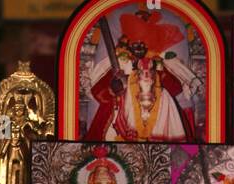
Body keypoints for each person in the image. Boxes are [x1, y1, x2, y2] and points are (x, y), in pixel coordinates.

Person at [86, 9, 200, 141]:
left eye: (142, 44)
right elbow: (98, 92)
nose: (139, 47)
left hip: (160, 116)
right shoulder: (121, 63)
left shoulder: (158, 63)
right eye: (135, 44)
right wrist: (113, 88)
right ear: (128, 45)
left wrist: (159, 75)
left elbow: (176, 89)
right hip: (120, 114)